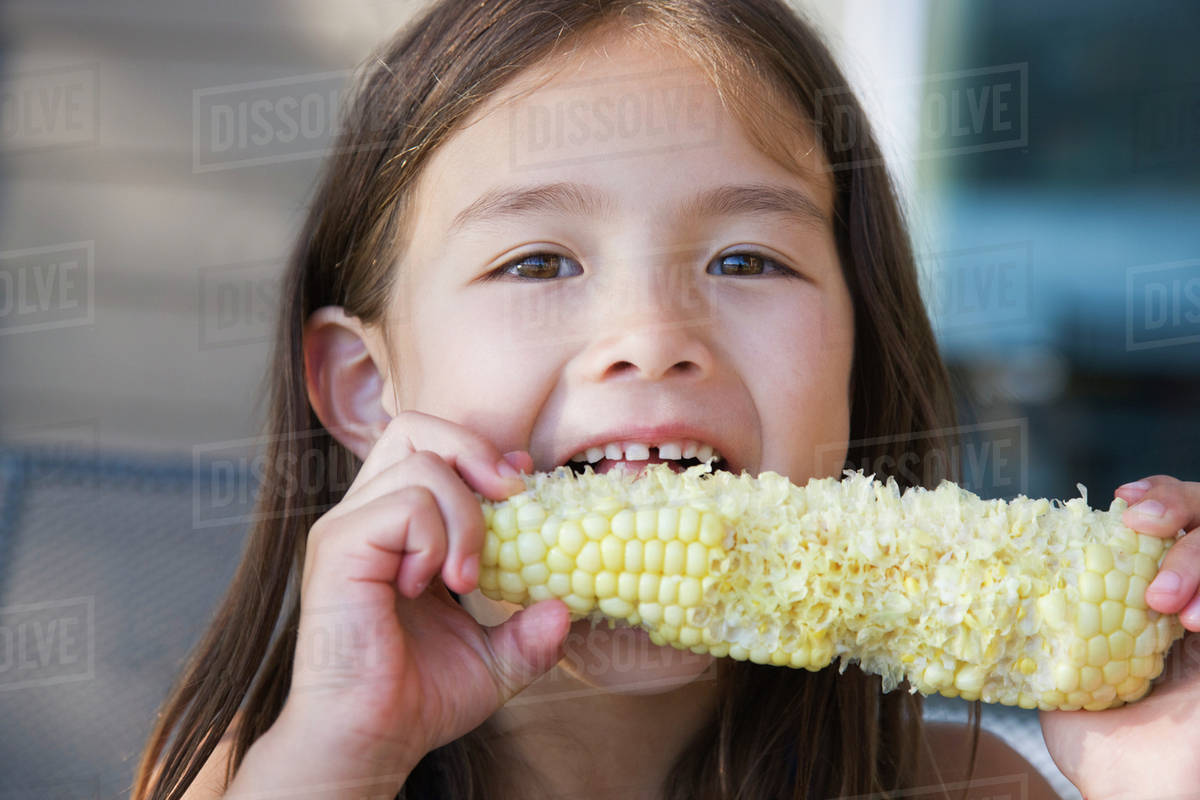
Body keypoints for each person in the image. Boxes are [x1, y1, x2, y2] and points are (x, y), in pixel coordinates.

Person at [132, 1, 1200, 798]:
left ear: (857, 355)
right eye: (539, 262)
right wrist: (339, 758)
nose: (652, 338)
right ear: (368, 392)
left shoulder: (967, 783)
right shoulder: (268, 771)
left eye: (747, 259)